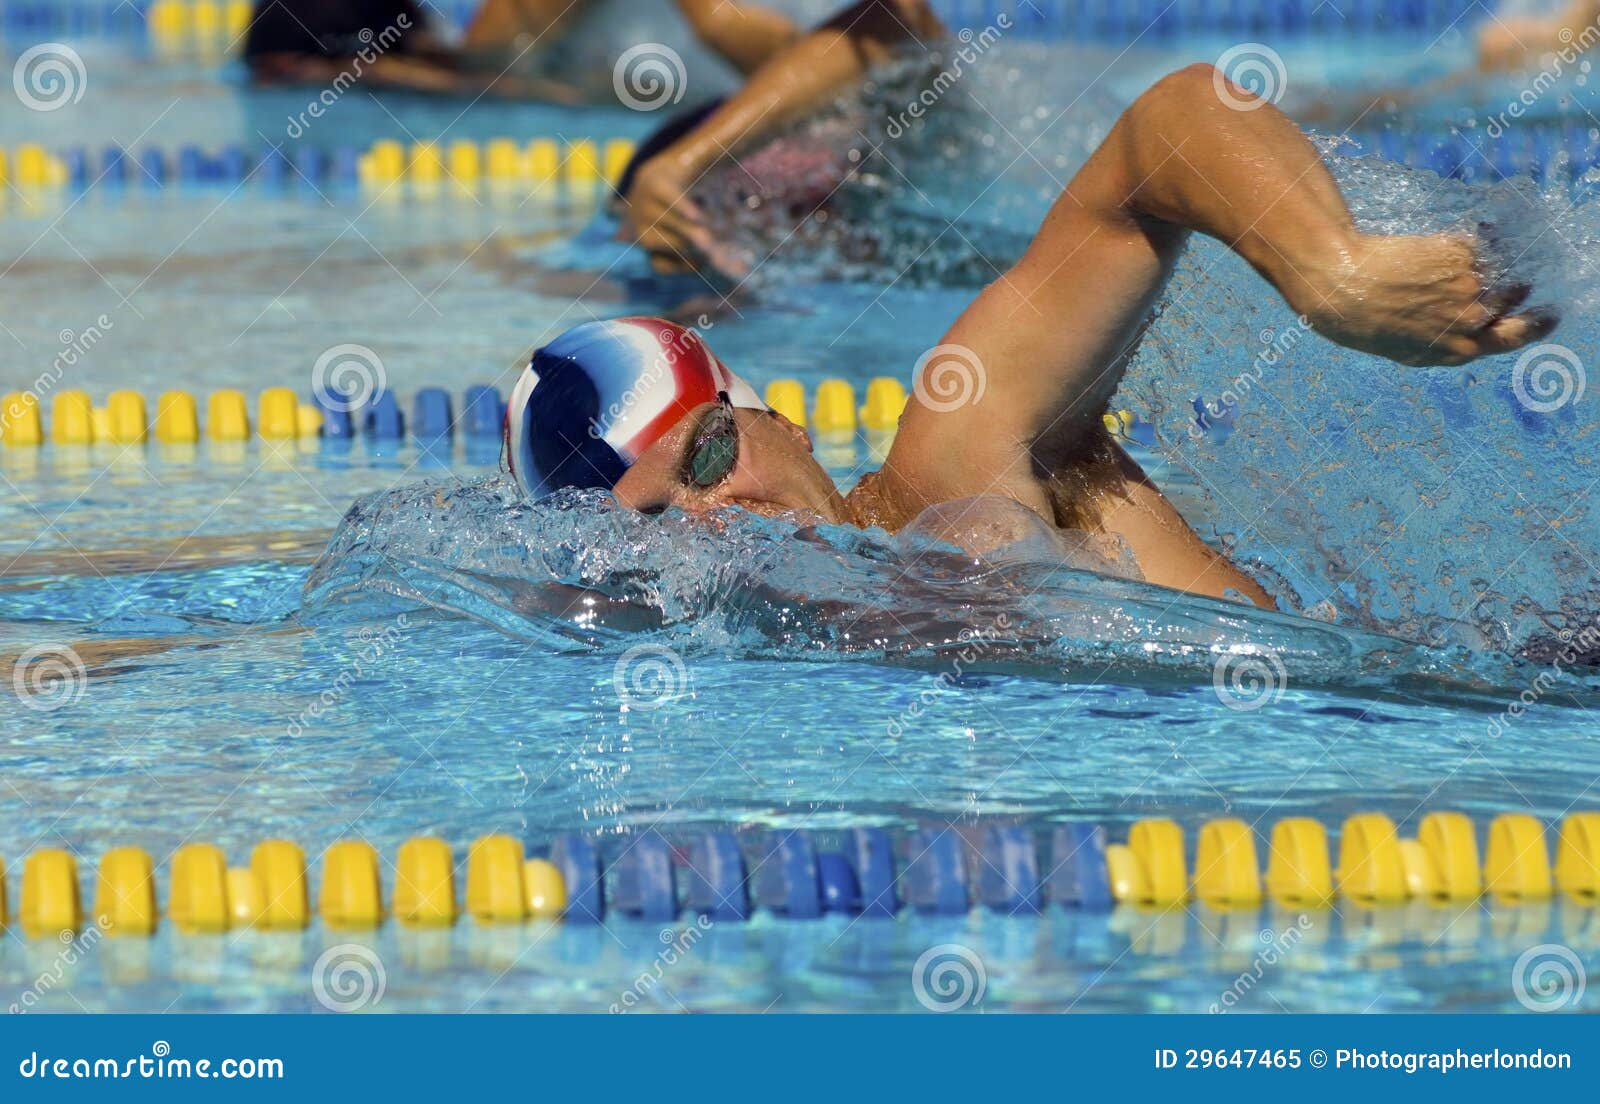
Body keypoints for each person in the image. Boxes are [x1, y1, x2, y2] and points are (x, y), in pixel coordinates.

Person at [508, 60, 1554, 610]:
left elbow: (1171, 126)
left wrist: (1335, 275)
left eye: (709, 457)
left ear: (779, 420)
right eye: (654, 524)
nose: (712, 516)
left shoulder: (952, 464)